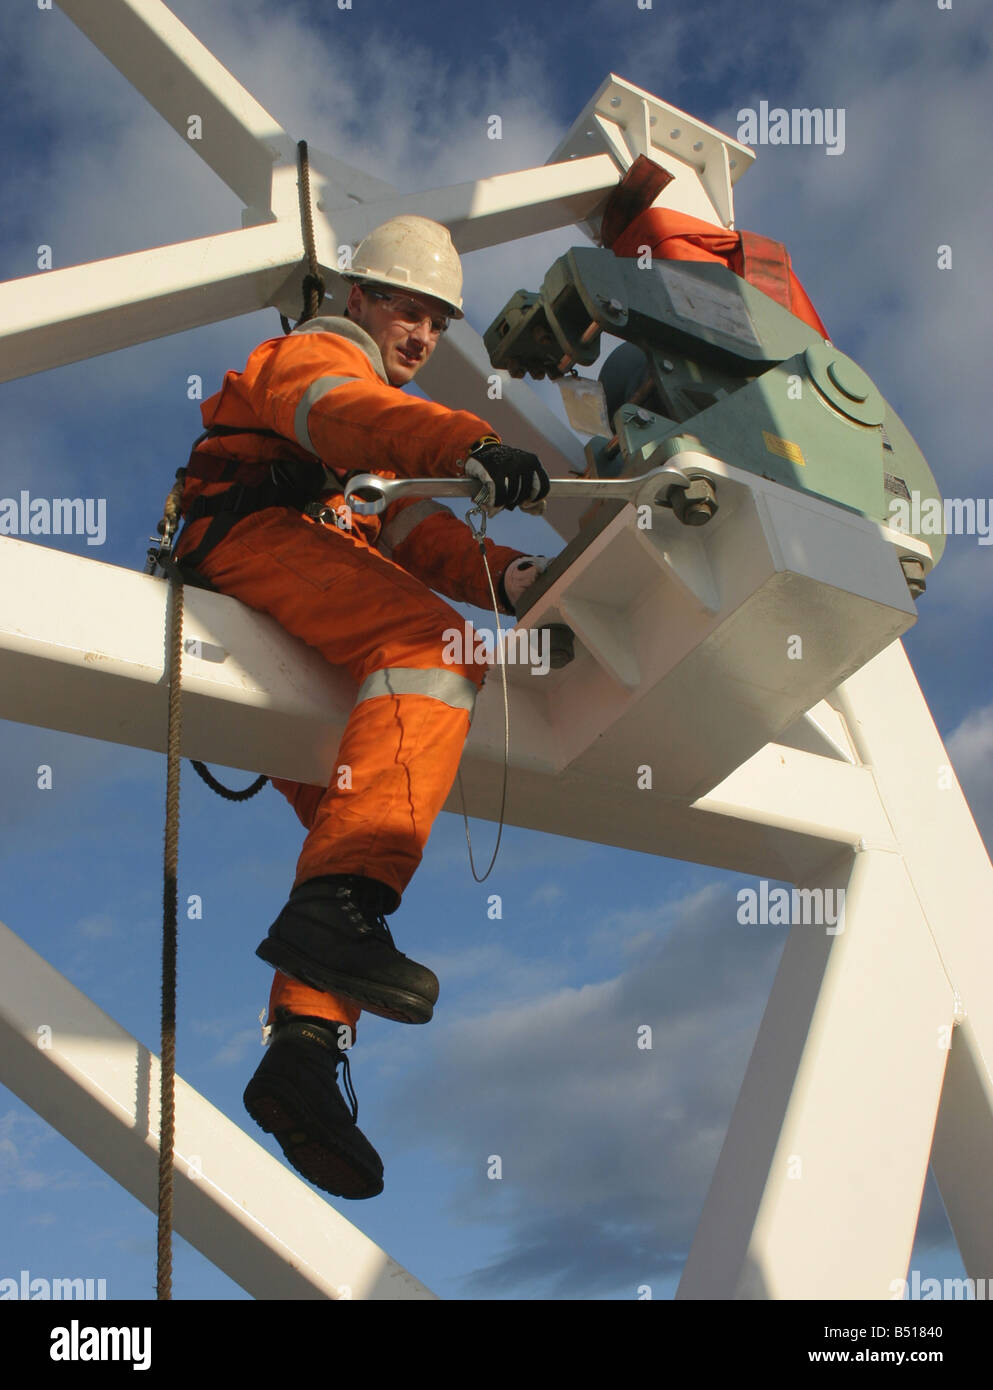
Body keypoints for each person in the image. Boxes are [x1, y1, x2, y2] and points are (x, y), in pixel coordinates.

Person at [173, 214, 551, 1199]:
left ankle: (302, 1045)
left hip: (290, 589)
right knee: (438, 650)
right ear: (358, 298)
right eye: (409, 308)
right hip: (252, 541)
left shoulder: (368, 434)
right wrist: (470, 438)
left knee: (370, 811)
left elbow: (412, 530)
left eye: (438, 321)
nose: (423, 335)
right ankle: (332, 946)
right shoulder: (318, 360)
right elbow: (342, 416)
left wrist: (521, 579)